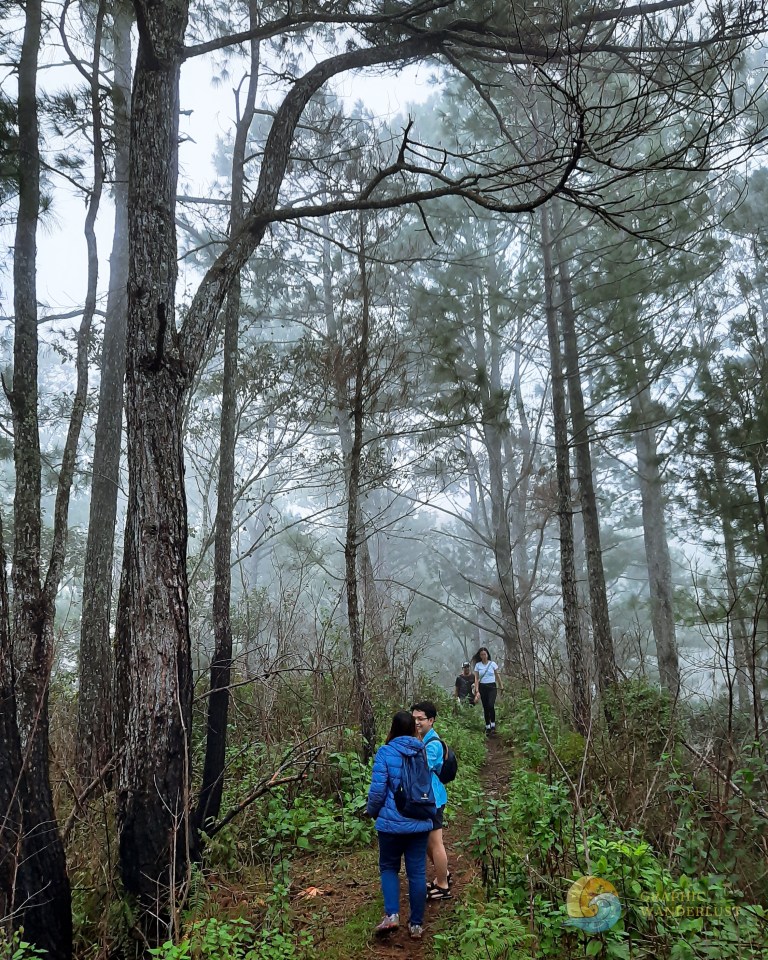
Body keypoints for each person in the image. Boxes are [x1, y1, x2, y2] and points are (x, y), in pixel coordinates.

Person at [366, 711, 433, 940]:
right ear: (413, 728)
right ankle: (416, 925)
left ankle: (392, 915)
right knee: (417, 873)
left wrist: (373, 812)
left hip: (391, 825)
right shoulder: (421, 750)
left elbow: (377, 791)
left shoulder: (385, 752)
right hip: (419, 820)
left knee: (388, 867)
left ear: (392, 728)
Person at [411, 700, 451, 901]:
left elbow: (421, 768)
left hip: (433, 799)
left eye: (421, 719)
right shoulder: (423, 740)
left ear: (431, 720)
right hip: (427, 798)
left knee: (435, 843)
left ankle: (443, 886)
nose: (417, 722)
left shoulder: (433, 744)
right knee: (429, 842)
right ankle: (443, 874)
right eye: (414, 719)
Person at [473, 646, 503, 734]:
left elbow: (497, 675)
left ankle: (493, 724)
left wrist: (501, 686)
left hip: (492, 687)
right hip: (483, 687)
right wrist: (477, 690)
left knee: (491, 704)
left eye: (484, 654)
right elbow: (476, 678)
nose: (483, 656)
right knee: (485, 707)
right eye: (481, 655)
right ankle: (487, 726)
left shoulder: (492, 664)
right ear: (480, 656)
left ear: (487, 655)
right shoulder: (478, 665)